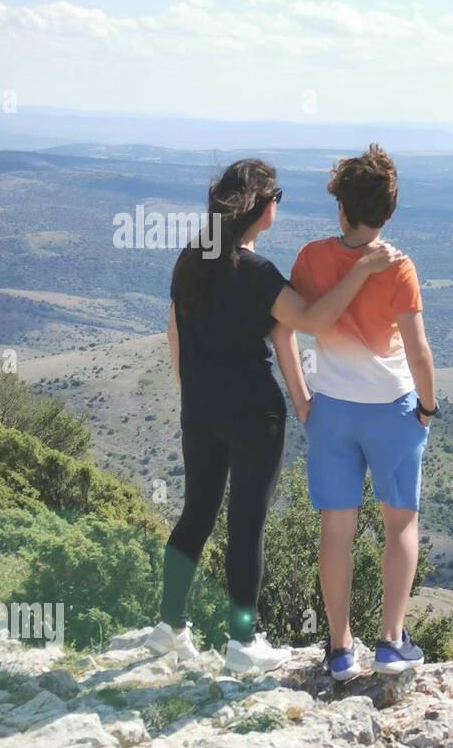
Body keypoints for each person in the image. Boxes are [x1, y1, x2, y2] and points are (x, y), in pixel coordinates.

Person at [147, 158, 403, 675]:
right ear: (265, 208)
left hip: (199, 409)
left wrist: (191, 391)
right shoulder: (257, 274)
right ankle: (243, 643)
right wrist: (363, 269)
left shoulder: (191, 259)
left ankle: (168, 626)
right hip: (253, 415)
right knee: (247, 523)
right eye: (276, 197)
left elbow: (174, 332)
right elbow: (312, 319)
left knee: (196, 513)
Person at [280, 144, 437, 681]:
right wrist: (429, 406)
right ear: (388, 211)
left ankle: (341, 648)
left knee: (336, 530)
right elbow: (418, 350)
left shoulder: (310, 258)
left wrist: (302, 398)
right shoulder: (399, 266)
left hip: (331, 412)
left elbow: (283, 330)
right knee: (400, 523)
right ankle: (392, 641)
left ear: (341, 208)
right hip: (392, 411)